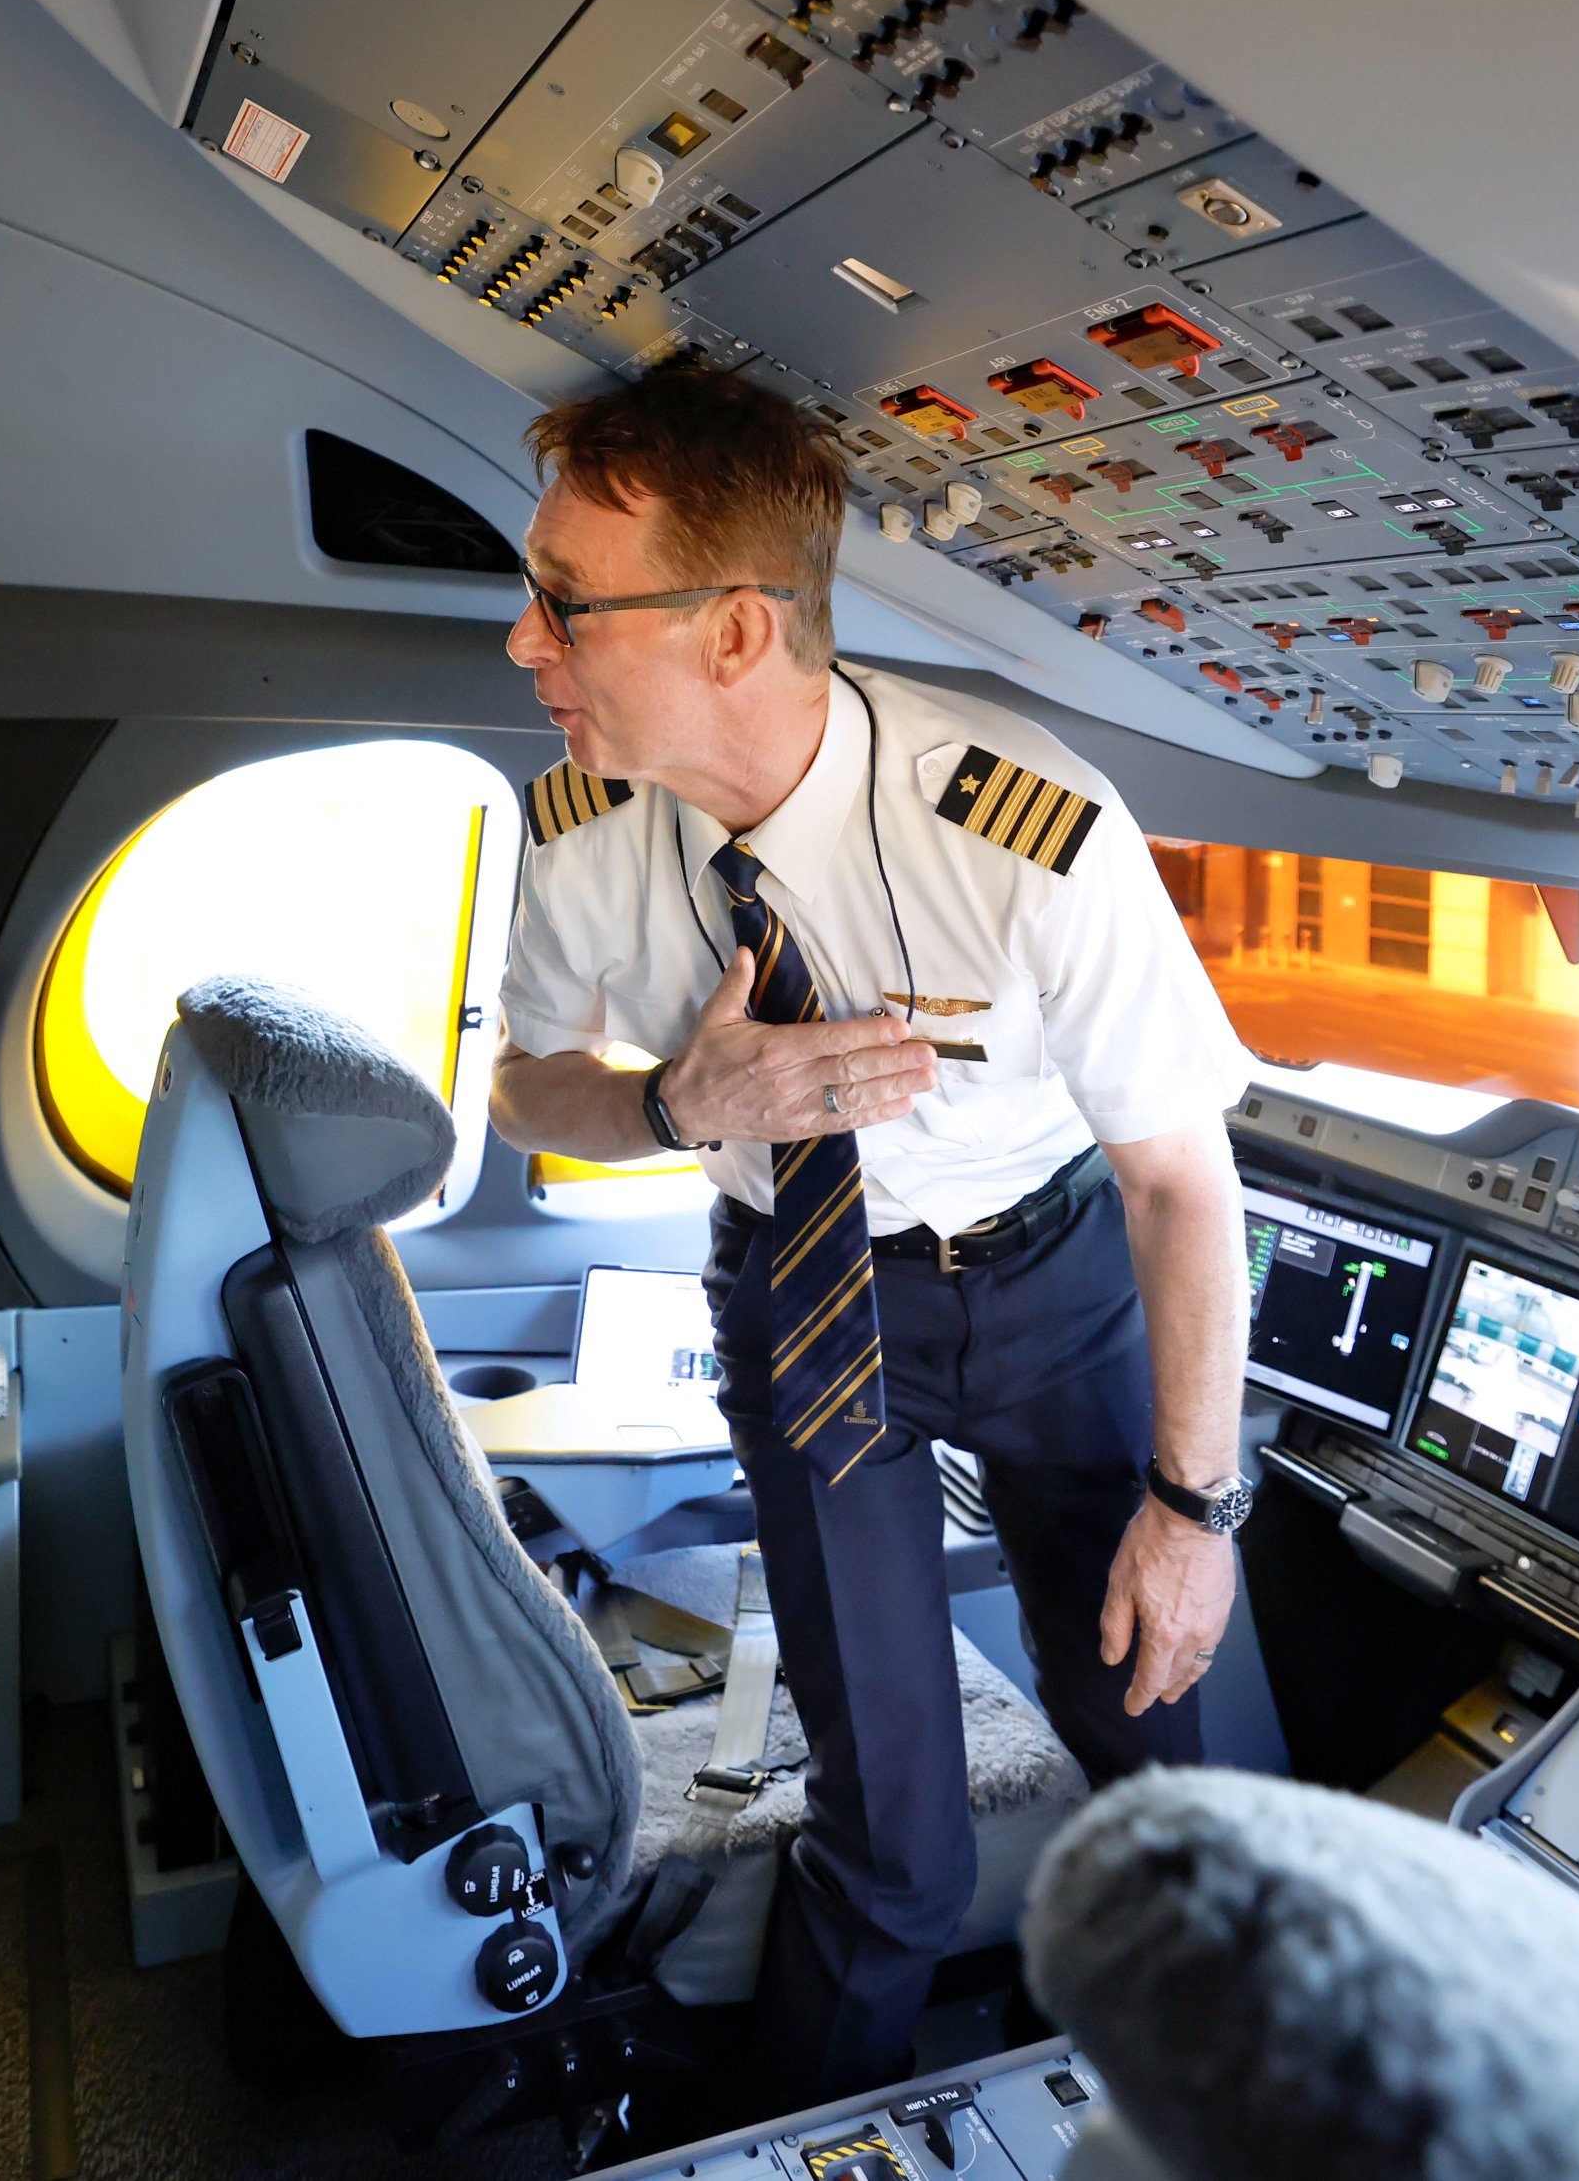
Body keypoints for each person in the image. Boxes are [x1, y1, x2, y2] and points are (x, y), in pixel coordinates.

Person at [482, 361, 1260, 2113]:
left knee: (1156, 1770)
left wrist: (1195, 1509)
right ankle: (792, 2140)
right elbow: (528, 1091)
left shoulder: (1023, 822)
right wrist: (680, 1111)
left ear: (736, 630)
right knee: (893, 1837)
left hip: (1057, 1287)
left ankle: (1205, 2119)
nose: (523, 644)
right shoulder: (580, 828)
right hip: (812, 1304)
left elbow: (1182, 1182)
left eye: (562, 603)